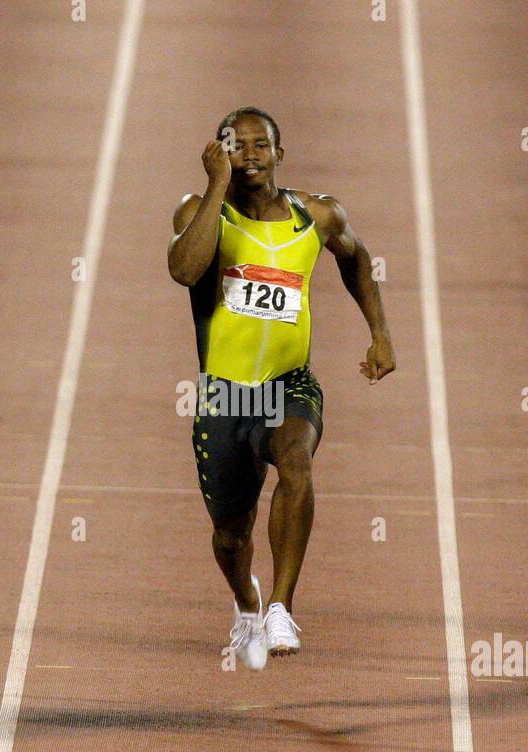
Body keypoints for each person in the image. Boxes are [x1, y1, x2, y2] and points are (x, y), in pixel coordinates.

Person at [167, 107, 394, 670]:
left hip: (288, 385)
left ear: (279, 154)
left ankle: (279, 607)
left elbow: (356, 257)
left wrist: (380, 333)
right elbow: (184, 270)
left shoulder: (317, 215)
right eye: (235, 146)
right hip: (224, 394)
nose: (249, 155)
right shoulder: (200, 213)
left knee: (297, 462)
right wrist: (216, 185)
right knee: (229, 533)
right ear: (219, 154)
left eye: (259, 145)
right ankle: (246, 602)